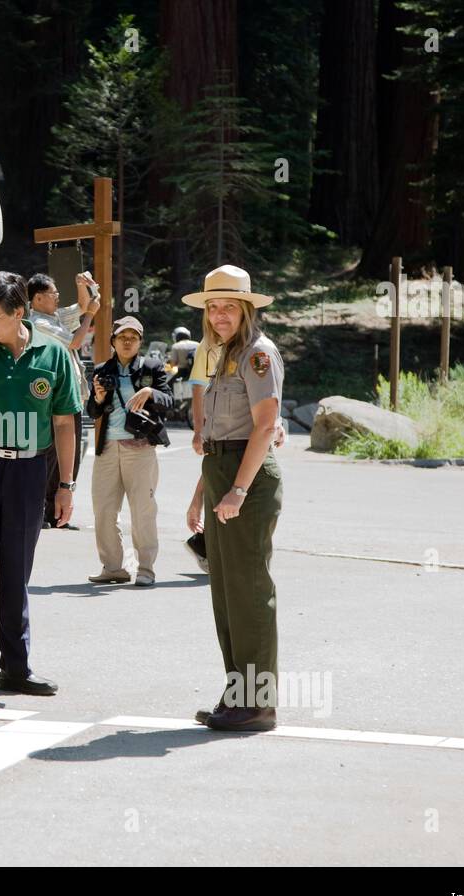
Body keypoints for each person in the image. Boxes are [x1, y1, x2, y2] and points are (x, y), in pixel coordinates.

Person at [0, 272, 81, 699]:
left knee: (17, 574)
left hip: (30, 474)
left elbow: (64, 423)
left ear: (18, 313)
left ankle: (16, 668)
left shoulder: (53, 355)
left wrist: (66, 485)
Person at [182, 264, 284, 733]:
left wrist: (239, 490)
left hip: (248, 475)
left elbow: (264, 427)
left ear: (246, 309)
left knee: (248, 592)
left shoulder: (258, 354)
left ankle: (258, 703)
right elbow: (214, 435)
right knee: (225, 594)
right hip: (222, 469)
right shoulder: (220, 353)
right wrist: (202, 493)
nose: (220, 315)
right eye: (213, 307)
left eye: (229, 307)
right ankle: (237, 695)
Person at [84, 316, 171, 588]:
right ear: (113, 340)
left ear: (140, 342)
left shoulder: (153, 368)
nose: (127, 341)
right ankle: (112, 567)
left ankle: (145, 568)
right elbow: (92, 411)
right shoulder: (102, 369)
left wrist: (150, 392)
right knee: (103, 509)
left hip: (140, 447)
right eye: (122, 337)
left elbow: (168, 401)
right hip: (108, 448)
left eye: (133, 337)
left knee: (143, 510)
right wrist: (97, 399)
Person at [27, 271, 99, 529]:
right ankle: (44, 511)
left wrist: (81, 286)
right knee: (50, 456)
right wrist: (91, 315)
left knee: (68, 456)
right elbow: (75, 343)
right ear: (37, 298)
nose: (57, 298)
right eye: (53, 294)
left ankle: (56, 514)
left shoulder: (54, 317)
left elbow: (79, 307)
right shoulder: (37, 323)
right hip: (53, 399)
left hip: (70, 395)